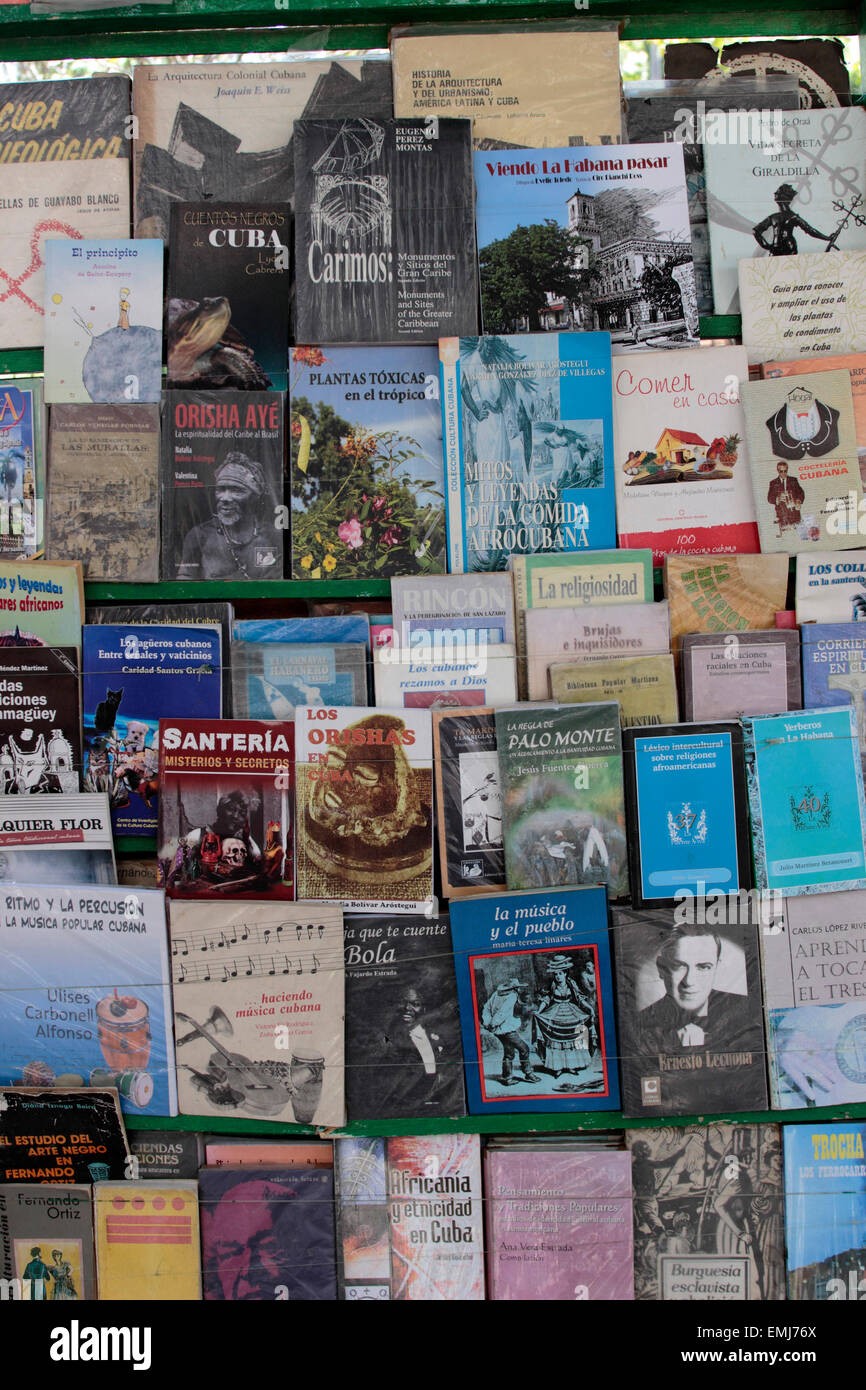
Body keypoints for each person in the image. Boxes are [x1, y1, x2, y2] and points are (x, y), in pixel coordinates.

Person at [637, 926, 757, 1057]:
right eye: (679, 966)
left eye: (703, 967)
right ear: (661, 968)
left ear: (717, 968)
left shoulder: (746, 1012)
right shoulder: (639, 1024)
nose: (689, 981)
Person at [177, 453, 278, 580]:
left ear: (255, 496)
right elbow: (185, 582)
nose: (225, 498)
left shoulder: (272, 536)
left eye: (236, 490)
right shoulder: (200, 536)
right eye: (220, 489)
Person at [533, 953, 594, 1077]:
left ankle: (571, 1066)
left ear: (565, 973)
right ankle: (558, 1067)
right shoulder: (552, 985)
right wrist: (539, 1011)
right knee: (556, 1039)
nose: (558, 976)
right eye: (556, 974)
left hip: (571, 1011)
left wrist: (590, 1009)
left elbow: (580, 999)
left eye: (560, 973)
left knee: (573, 1037)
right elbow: (546, 999)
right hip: (556, 1012)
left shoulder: (571, 984)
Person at [480, 977, 541, 1086]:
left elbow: (486, 1008)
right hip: (506, 1030)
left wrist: (487, 1023)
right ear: (514, 988)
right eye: (517, 988)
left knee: (509, 1052)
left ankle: (507, 1078)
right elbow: (502, 1014)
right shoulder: (512, 996)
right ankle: (528, 1073)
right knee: (524, 1049)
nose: (518, 990)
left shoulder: (496, 994)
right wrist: (493, 1024)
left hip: (499, 1030)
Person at [752, 184, 834, 256]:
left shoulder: (789, 217)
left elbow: (810, 230)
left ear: (783, 197)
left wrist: (827, 238)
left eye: (778, 193)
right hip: (778, 249)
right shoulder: (776, 217)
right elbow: (756, 231)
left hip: (787, 249)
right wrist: (767, 246)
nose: (775, 194)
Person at [766, 461, 805, 532]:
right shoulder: (773, 483)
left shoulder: (794, 480)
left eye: (785, 471)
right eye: (781, 471)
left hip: (795, 514)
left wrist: (798, 501)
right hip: (782, 515)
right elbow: (769, 498)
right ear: (778, 471)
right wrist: (777, 499)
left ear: (787, 470)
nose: (784, 473)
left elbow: (801, 493)